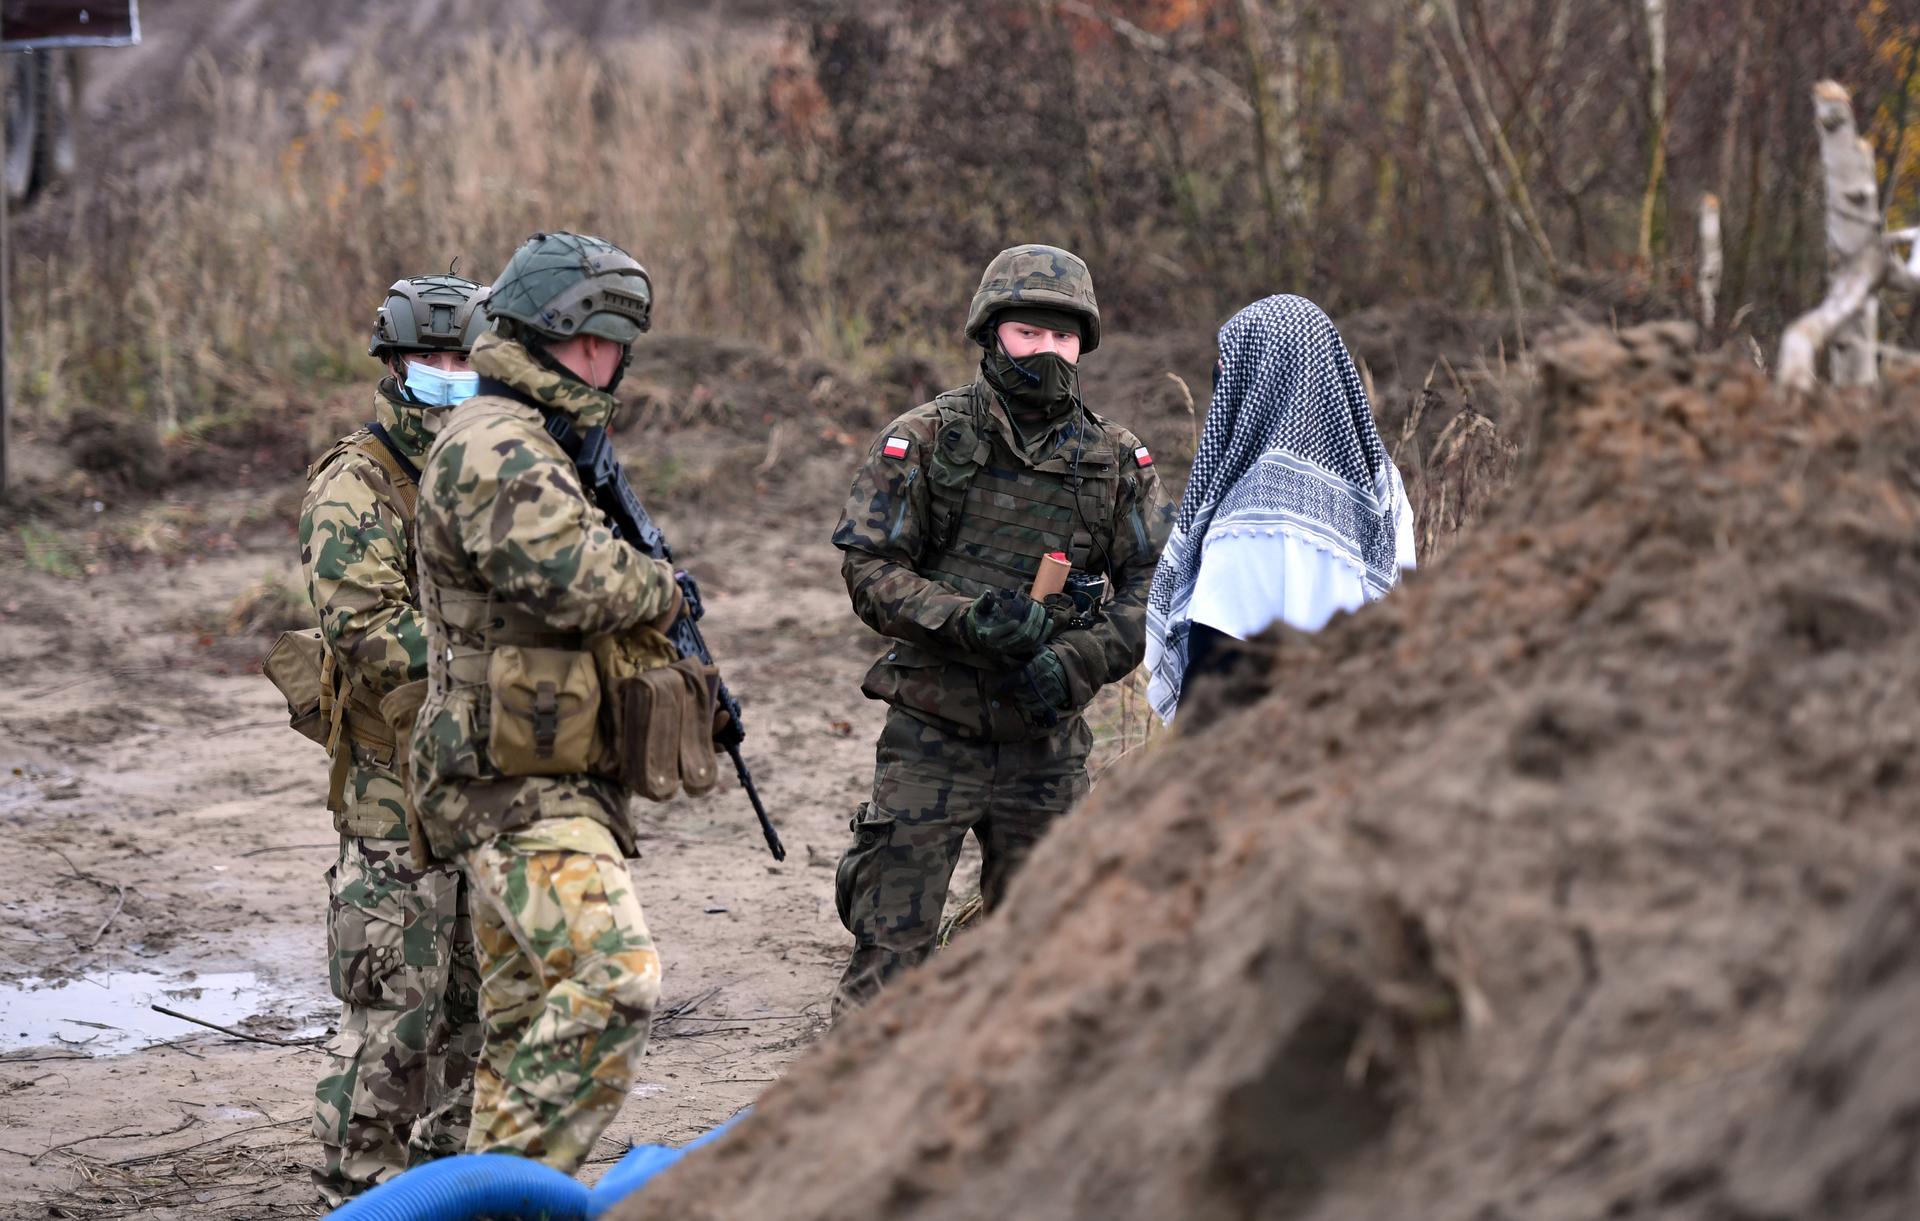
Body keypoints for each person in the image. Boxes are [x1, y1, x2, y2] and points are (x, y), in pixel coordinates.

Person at [828, 243, 1173, 1019]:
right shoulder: (923, 439)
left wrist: (1078, 661)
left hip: (1045, 742)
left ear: (1083, 343)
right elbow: (870, 568)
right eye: (1028, 333)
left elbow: (1155, 587)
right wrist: (965, 619)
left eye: (1062, 337)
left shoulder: (1117, 460)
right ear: (992, 334)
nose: (1046, 352)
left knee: (1048, 966)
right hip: (931, 732)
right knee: (888, 961)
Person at [407, 231, 686, 1175]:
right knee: (613, 981)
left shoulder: (531, 437)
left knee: (526, 1027)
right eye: (608, 337)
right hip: (516, 786)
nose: (616, 360)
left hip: (532, 770)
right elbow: (573, 578)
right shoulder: (498, 441)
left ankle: (498, 1194)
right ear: (573, 334)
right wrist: (663, 586)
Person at [300, 271, 489, 1205]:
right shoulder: (355, 484)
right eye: (433, 360)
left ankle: (446, 1190)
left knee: (479, 1011)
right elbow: (368, 627)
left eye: (466, 360)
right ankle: (355, 1194)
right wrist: (491, 674)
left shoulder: (491, 471)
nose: (452, 377)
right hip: (392, 789)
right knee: (396, 1020)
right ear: (394, 366)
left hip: (480, 781)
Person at [1143, 294, 1415, 723]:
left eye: (1228, 364)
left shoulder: (1255, 510)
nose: (1220, 377)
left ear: (1261, 376)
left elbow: (1215, 675)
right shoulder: (1381, 483)